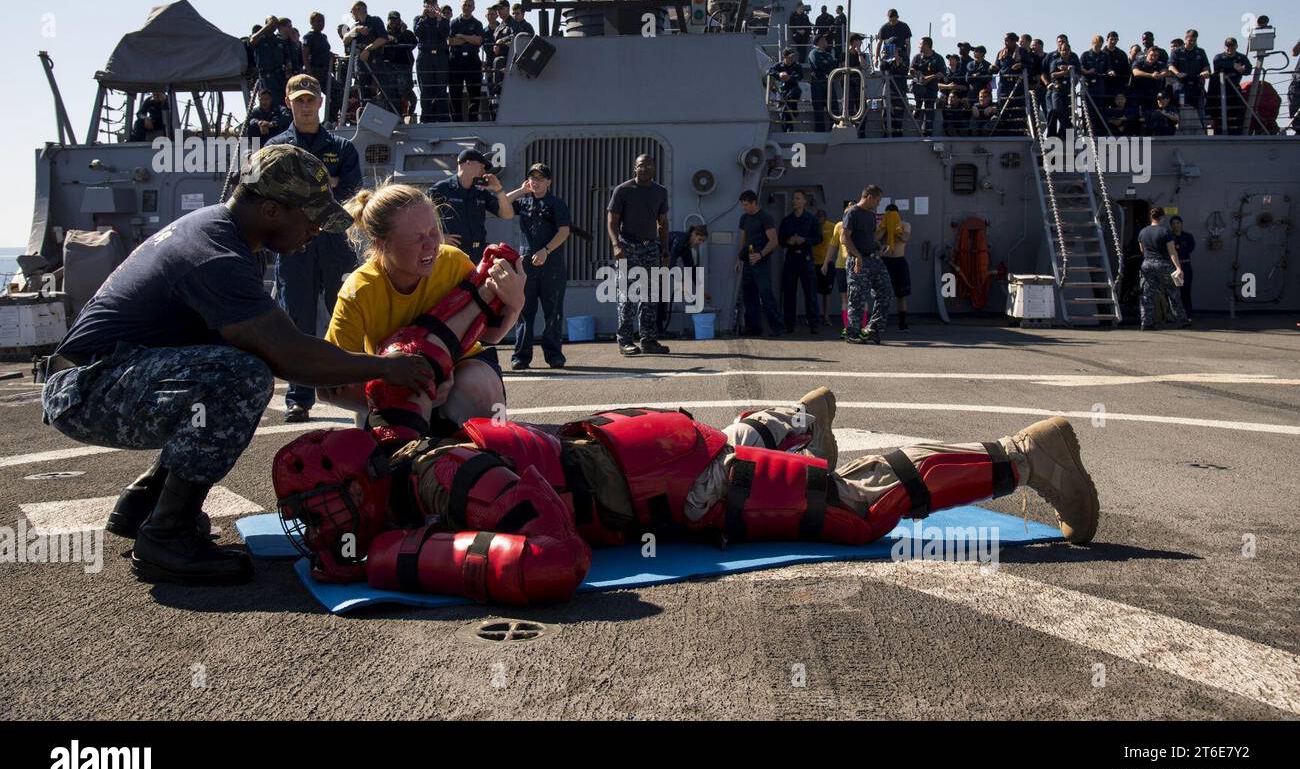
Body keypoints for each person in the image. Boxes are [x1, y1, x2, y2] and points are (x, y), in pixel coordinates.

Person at [274, 385, 1101, 604]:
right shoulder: (407, 464)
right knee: (755, 469)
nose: (319, 529)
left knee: (858, 511)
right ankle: (789, 424)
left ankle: (1028, 456)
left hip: (673, 480)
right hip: (634, 457)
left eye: (323, 510)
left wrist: (388, 559)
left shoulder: (448, 473)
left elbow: (554, 559)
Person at [41, 144, 435, 585]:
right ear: (271, 210)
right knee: (241, 377)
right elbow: (290, 356)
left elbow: (267, 340)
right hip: (86, 389)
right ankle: (167, 536)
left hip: (101, 374)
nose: (315, 230)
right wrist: (385, 368)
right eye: (309, 218)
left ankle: (146, 502)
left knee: (236, 361)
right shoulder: (217, 256)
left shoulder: (223, 235)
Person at [319, 180, 523, 434]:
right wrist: (405, 399)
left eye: (433, 231)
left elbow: (490, 335)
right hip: (397, 380)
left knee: (480, 387)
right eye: (416, 237)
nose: (431, 244)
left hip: (460, 367)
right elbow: (328, 388)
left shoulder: (452, 262)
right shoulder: (359, 291)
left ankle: (493, 443)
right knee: (390, 432)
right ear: (382, 244)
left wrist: (515, 304)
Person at [266, 74, 364, 422]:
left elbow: (351, 193)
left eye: (311, 99)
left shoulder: (342, 148)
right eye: (299, 100)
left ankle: (353, 387)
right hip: (294, 246)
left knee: (347, 314)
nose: (305, 106)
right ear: (288, 103)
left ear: (320, 102)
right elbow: (269, 194)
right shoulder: (276, 148)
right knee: (298, 321)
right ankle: (299, 397)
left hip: (334, 242)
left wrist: (300, 187)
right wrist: (325, 183)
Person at [504, 163, 571, 370]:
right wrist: (520, 191)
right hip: (527, 265)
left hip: (552, 266)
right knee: (524, 312)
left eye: (540, 178)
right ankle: (521, 357)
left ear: (548, 182)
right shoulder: (523, 202)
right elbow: (501, 206)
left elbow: (564, 231)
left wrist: (546, 251)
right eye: (532, 178)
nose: (535, 182)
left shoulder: (556, 204)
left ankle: (554, 355)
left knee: (553, 312)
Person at [607, 154, 670, 356]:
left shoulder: (660, 192)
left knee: (650, 297)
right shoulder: (623, 190)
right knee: (627, 296)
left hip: (651, 249)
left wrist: (665, 249)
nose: (645, 169)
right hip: (628, 248)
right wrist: (616, 245)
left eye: (649, 166)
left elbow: (662, 222)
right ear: (635, 168)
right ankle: (625, 341)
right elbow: (612, 221)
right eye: (641, 165)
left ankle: (648, 340)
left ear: (654, 169)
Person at [427, 148, 514, 265]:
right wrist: (437, 236)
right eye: (481, 166)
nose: (484, 171)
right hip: (453, 254)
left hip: (478, 254)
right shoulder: (441, 189)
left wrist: (499, 190)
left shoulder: (481, 192)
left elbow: (507, 215)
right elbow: (419, 216)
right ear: (469, 163)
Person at [842, 186, 892, 344]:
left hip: (874, 259)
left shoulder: (870, 215)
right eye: (877, 200)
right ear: (869, 197)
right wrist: (857, 255)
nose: (878, 203)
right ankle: (853, 332)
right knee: (857, 297)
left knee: (885, 292)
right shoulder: (852, 213)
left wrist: (879, 246)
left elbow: (870, 237)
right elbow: (844, 238)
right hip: (859, 260)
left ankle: (873, 329)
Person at [736, 190, 783, 336]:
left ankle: (777, 327)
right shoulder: (744, 218)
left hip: (761, 262)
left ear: (753, 202)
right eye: (743, 205)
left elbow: (774, 241)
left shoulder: (765, 218)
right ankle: (753, 327)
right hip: (748, 261)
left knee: (765, 294)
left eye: (746, 205)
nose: (744, 208)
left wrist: (761, 254)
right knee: (749, 295)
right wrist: (738, 259)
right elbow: (743, 239)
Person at [1136, 207, 1189, 331]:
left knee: (1147, 294)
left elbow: (1142, 250)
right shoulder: (1165, 232)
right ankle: (1181, 321)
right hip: (1162, 263)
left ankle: (1146, 322)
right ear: (1162, 218)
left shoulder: (1142, 232)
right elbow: (1172, 252)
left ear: (1151, 217)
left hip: (1147, 264)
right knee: (1173, 292)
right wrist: (1178, 268)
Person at [779, 189, 821, 334]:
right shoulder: (787, 220)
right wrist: (788, 241)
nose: (794, 201)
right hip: (791, 258)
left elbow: (818, 238)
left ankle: (814, 324)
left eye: (798, 198)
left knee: (810, 292)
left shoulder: (811, 219)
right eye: (794, 198)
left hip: (806, 258)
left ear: (804, 201)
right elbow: (780, 239)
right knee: (789, 292)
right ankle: (789, 324)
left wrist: (805, 240)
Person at [657, 223, 708, 337]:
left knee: (662, 298)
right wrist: (681, 283)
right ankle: (655, 331)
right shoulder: (680, 240)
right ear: (694, 234)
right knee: (657, 297)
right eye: (700, 239)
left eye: (702, 241)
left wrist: (700, 288)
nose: (700, 243)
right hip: (654, 261)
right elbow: (671, 263)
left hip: (661, 266)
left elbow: (691, 269)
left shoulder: (686, 247)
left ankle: (659, 330)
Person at [341, 1, 390, 106]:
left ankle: (391, 111)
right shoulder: (356, 26)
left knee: (385, 88)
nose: (351, 14)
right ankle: (365, 110)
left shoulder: (375, 21)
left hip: (375, 60)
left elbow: (383, 38)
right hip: (360, 63)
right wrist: (356, 29)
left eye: (352, 11)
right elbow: (345, 40)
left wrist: (368, 49)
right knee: (363, 91)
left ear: (357, 9)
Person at [414, 0, 451, 123]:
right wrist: (423, 17)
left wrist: (439, 19)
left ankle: (443, 117)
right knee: (425, 89)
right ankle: (426, 118)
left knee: (441, 88)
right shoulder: (418, 19)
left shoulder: (443, 19)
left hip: (440, 56)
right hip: (425, 56)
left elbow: (445, 33)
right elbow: (417, 33)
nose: (431, 5)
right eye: (428, 3)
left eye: (433, 3)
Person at [446, 0, 485, 121]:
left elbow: (478, 41)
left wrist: (462, 36)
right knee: (455, 92)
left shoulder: (477, 24)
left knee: (474, 92)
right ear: (461, 6)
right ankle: (456, 121)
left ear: (473, 8)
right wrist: (470, 38)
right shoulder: (453, 23)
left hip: (472, 60)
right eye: (465, 5)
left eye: (469, 5)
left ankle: (473, 119)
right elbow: (450, 41)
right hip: (456, 60)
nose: (467, 7)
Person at [877, 203, 912, 331]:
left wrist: (895, 228)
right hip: (885, 261)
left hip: (899, 261)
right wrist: (885, 227)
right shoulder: (882, 226)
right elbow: (875, 238)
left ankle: (902, 322)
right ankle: (879, 321)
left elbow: (904, 238)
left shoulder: (905, 225)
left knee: (901, 294)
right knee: (881, 293)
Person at [1169, 29, 1211, 129]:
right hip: (1182, 86)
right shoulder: (1177, 52)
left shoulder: (1200, 52)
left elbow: (1206, 66)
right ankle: (1183, 131)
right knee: (1183, 110)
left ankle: (1202, 131)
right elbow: (1170, 66)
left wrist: (1205, 72)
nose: (1191, 42)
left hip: (1197, 86)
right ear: (1185, 39)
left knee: (1200, 110)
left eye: (1194, 40)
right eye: (1190, 40)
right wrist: (1177, 73)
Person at [1210, 37, 1252, 135]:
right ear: (1224, 47)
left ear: (1236, 46)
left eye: (1232, 46)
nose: (1230, 48)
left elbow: (1249, 70)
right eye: (1228, 46)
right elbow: (1218, 68)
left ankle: (1237, 133)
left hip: (1235, 88)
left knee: (1237, 111)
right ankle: (1220, 133)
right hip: (1220, 89)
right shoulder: (1219, 57)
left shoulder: (1241, 57)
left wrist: (1243, 70)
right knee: (1220, 114)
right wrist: (1234, 67)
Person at [821, 200, 851, 336]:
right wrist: (826, 263)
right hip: (841, 265)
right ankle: (847, 327)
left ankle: (861, 327)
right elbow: (833, 246)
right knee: (844, 298)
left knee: (859, 298)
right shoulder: (839, 226)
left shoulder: (860, 225)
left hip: (857, 265)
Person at [248, 16, 292, 108]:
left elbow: (287, 57)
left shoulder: (279, 40)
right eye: (271, 23)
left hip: (279, 76)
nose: (273, 26)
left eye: (275, 24)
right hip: (266, 76)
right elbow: (252, 41)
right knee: (268, 103)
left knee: (282, 102)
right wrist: (267, 26)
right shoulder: (260, 39)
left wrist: (289, 68)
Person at [384, 11, 419, 121]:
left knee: (407, 92)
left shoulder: (407, 33)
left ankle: (408, 114)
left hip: (404, 66)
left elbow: (413, 44)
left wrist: (403, 32)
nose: (394, 22)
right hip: (389, 68)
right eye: (391, 19)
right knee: (392, 93)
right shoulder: (384, 34)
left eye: (396, 19)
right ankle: (395, 115)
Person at [1042, 41, 1081, 138]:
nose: (1065, 52)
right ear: (1060, 51)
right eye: (1063, 50)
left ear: (1070, 51)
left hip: (1069, 90)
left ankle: (1063, 134)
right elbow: (1053, 75)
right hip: (1057, 89)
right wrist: (1066, 71)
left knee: (1067, 112)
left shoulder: (1073, 61)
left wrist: (1070, 69)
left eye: (1067, 50)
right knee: (1056, 109)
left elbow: (1078, 73)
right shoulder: (1055, 62)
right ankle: (1069, 128)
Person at [910, 36, 945, 136]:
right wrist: (916, 73)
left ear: (927, 45)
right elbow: (911, 70)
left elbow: (942, 73)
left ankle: (927, 132)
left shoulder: (938, 58)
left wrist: (929, 78)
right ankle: (918, 106)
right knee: (916, 88)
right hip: (918, 85)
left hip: (931, 87)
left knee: (929, 109)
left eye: (921, 44)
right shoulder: (917, 57)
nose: (919, 46)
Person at [301, 12, 333, 111]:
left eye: (322, 21)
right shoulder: (308, 37)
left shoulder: (323, 37)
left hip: (325, 71)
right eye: (318, 21)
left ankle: (332, 117)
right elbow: (305, 55)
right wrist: (309, 73)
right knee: (312, 97)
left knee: (336, 93)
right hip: (314, 70)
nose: (321, 24)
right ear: (312, 22)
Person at [768, 49, 803, 132]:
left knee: (795, 92)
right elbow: (770, 71)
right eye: (790, 57)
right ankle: (787, 129)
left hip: (793, 90)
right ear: (785, 57)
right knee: (784, 112)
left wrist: (789, 78)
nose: (792, 58)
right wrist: (779, 74)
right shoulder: (779, 66)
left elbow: (800, 76)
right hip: (782, 91)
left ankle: (792, 111)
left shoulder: (797, 66)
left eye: (793, 56)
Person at [808, 33, 837, 131]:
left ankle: (834, 130)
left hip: (828, 83)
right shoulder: (813, 53)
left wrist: (827, 65)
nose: (826, 41)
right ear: (820, 41)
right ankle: (820, 132)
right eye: (824, 39)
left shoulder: (828, 55)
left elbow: (833, 66)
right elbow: (818, 65)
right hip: (818, 84)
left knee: (834, 108)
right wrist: (828, 65)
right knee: (819, 110)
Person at [811, 208, 836, 325]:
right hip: (814, 263)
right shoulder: (812, 226)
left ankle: (826, 316)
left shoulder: (831, 227)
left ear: (825, 219)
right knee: (813, 291)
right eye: (818, 220)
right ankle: (813, 316)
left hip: (827, 263)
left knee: (827, 292)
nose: (820, 222)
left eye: (822, 220)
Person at [1168, 215, 1195, 319]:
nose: (1176, 225)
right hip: (1172, 267)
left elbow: (1189, 248)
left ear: (1181, 224)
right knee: (1172, 292)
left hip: (1185, 267)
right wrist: (1178, 249)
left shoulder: (1188, 236)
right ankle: (1173, 316)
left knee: (1185, 292)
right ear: (1171, 225)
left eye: (1177, 223)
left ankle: (1188, 316)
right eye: (1173, 224)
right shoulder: (1169, 236)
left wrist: (1177, 249)